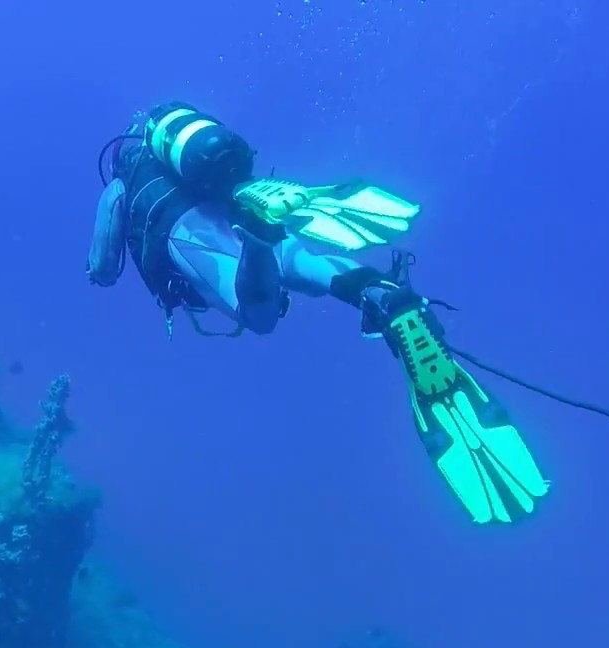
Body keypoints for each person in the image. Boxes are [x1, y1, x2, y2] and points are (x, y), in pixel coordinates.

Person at [86, 101, 549, 524]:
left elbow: (104, 269)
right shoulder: (188, 163)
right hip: (227, 198)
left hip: (184, 230)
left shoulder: (124, 186)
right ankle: (378, 294)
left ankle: (258, 236)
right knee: (300, 263)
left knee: (257, 313)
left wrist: (103, 260)